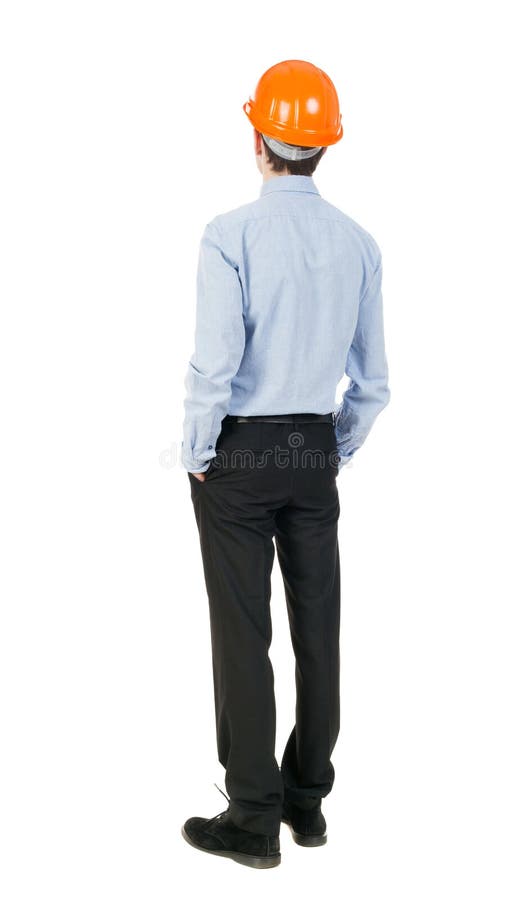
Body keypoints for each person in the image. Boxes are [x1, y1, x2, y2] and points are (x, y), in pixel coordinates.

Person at [180, 59, 390, 868]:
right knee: (317, 626)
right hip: (310, 453)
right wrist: (333, 446)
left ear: (257, 139)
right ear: (324, 145)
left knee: (243, 633)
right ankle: (306, 800)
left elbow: (215, 362)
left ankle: (252, 818)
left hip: (237, 454)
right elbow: (372, 383)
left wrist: (199, 450)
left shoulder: (229, 235)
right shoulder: (358, 243)